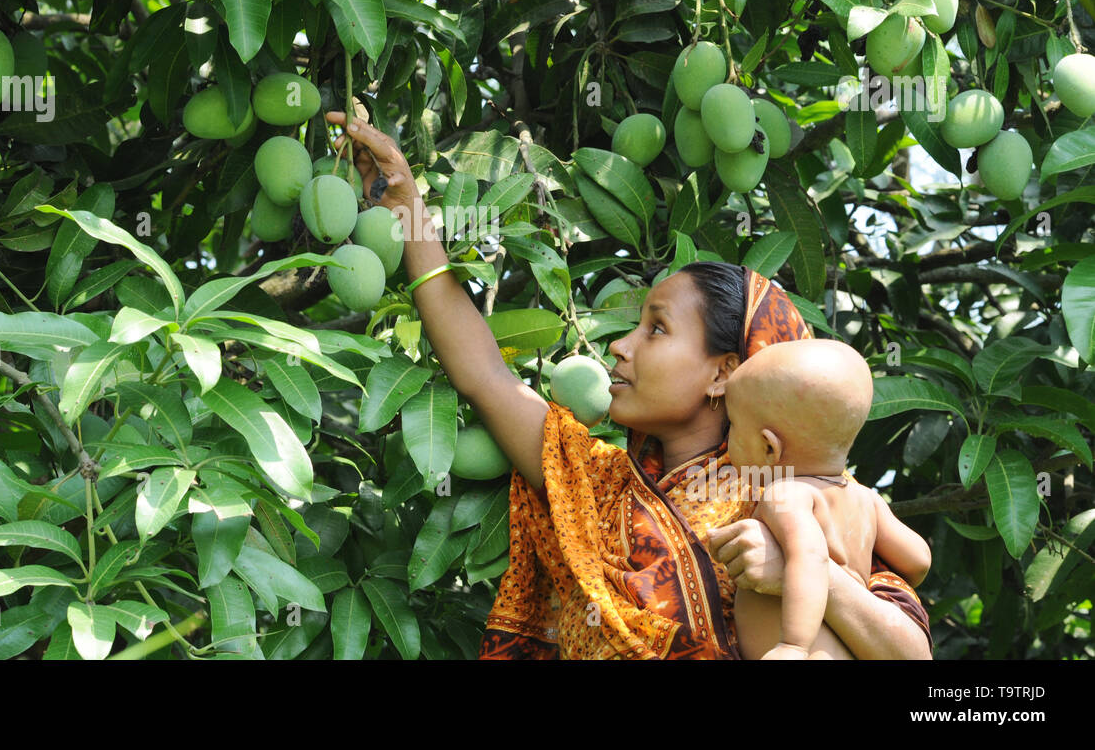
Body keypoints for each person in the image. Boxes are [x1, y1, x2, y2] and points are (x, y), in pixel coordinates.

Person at [325, 109, 933, 660]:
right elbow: (484, 373)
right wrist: (405, 206)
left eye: (657, 329)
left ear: (724, 372)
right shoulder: (593, 486)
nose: (621, 344)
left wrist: (809, 573)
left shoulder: (798, 490)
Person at [722, 338, 933, 659]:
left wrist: (792, 644)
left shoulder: (787, 495)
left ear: (769, 448)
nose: (726, 442)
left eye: (733, 427)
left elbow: (810, 558)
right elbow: (918, 562)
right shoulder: (866, 498)